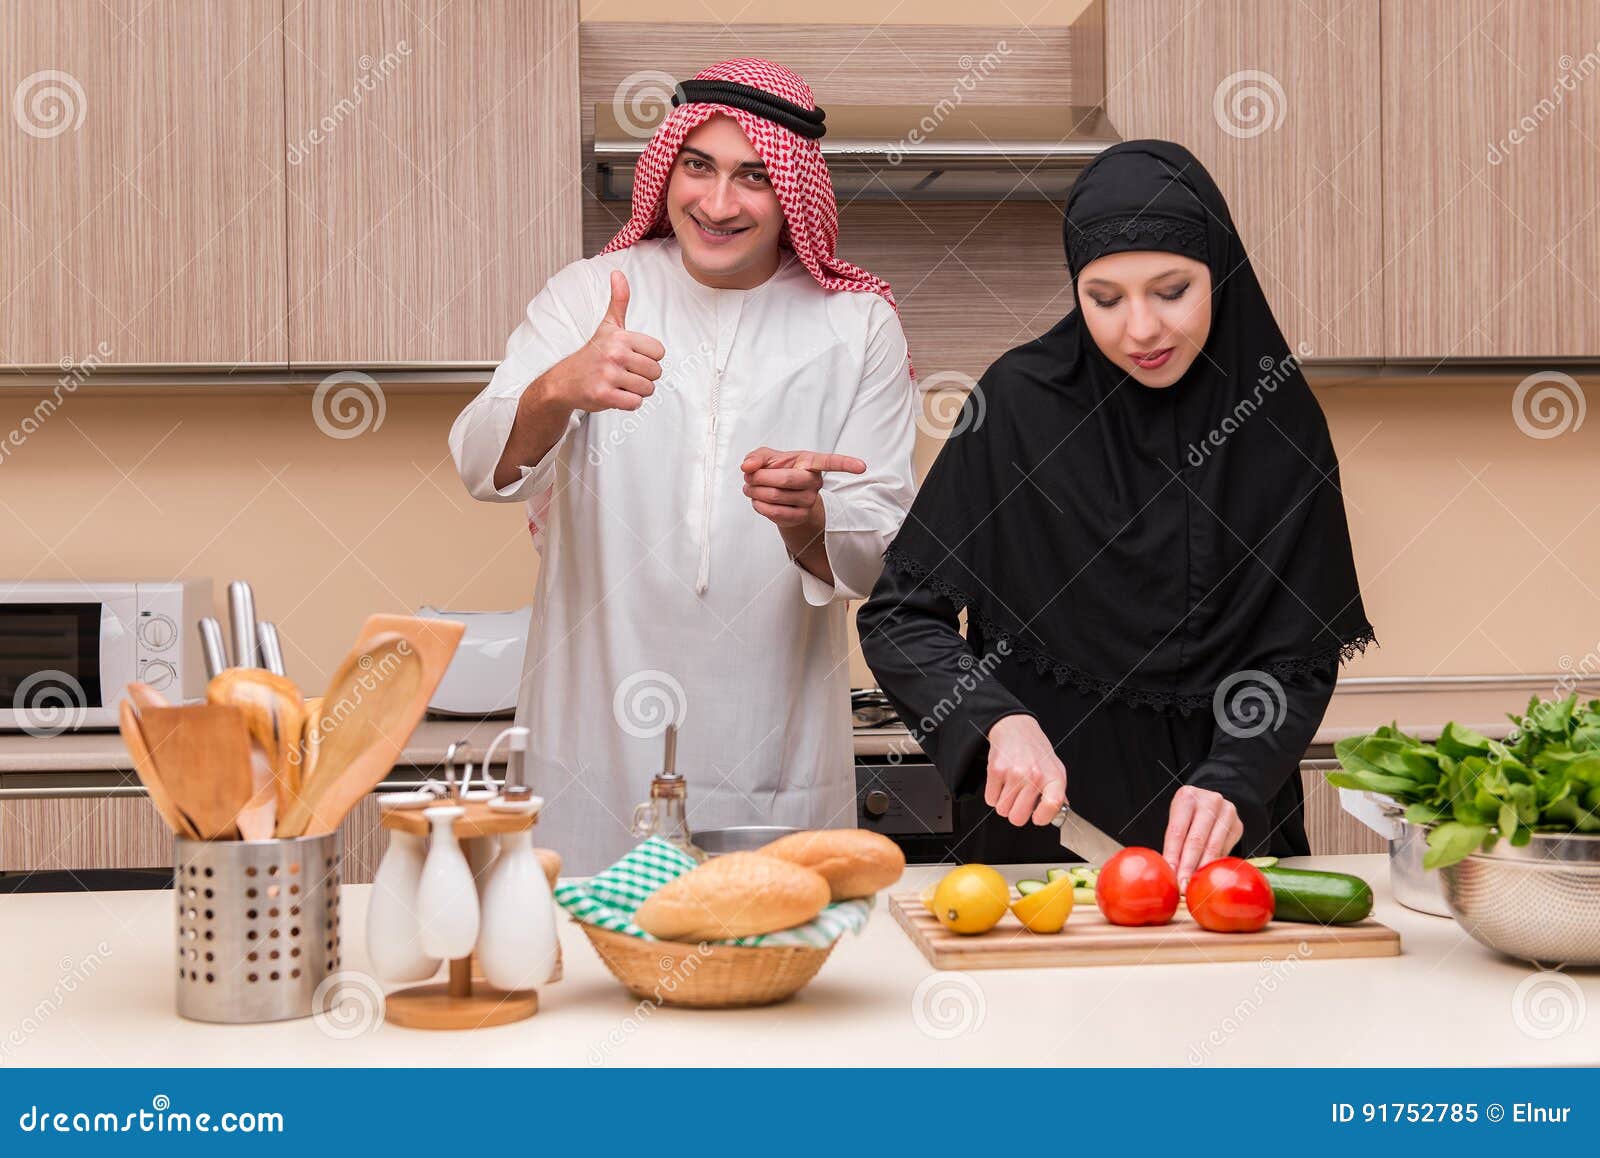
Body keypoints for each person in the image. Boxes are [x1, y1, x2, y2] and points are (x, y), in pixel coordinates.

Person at [857, 140, 1373, 884]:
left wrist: (1236, 773)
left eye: (1171, 291)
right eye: (1105, 298)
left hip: (1223, 854)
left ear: (1220, 274)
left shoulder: (1278, 422)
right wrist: (996, 721)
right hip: (1035, 850)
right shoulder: (1016, 407)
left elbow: (1299, 653)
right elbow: (902, 618)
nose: (1140, 330)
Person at [450, 58, 916, 875]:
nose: (717, 203)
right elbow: (479, 463)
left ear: (795, 192)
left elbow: (881, 550)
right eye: (698, 166)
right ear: (667, 167)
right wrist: (559, 388)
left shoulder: (859, 325)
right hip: (589, 752)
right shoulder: (591, 293)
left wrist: (811, 522)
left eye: (755, 177)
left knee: (764, 972)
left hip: (774, 757)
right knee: (587, 975)